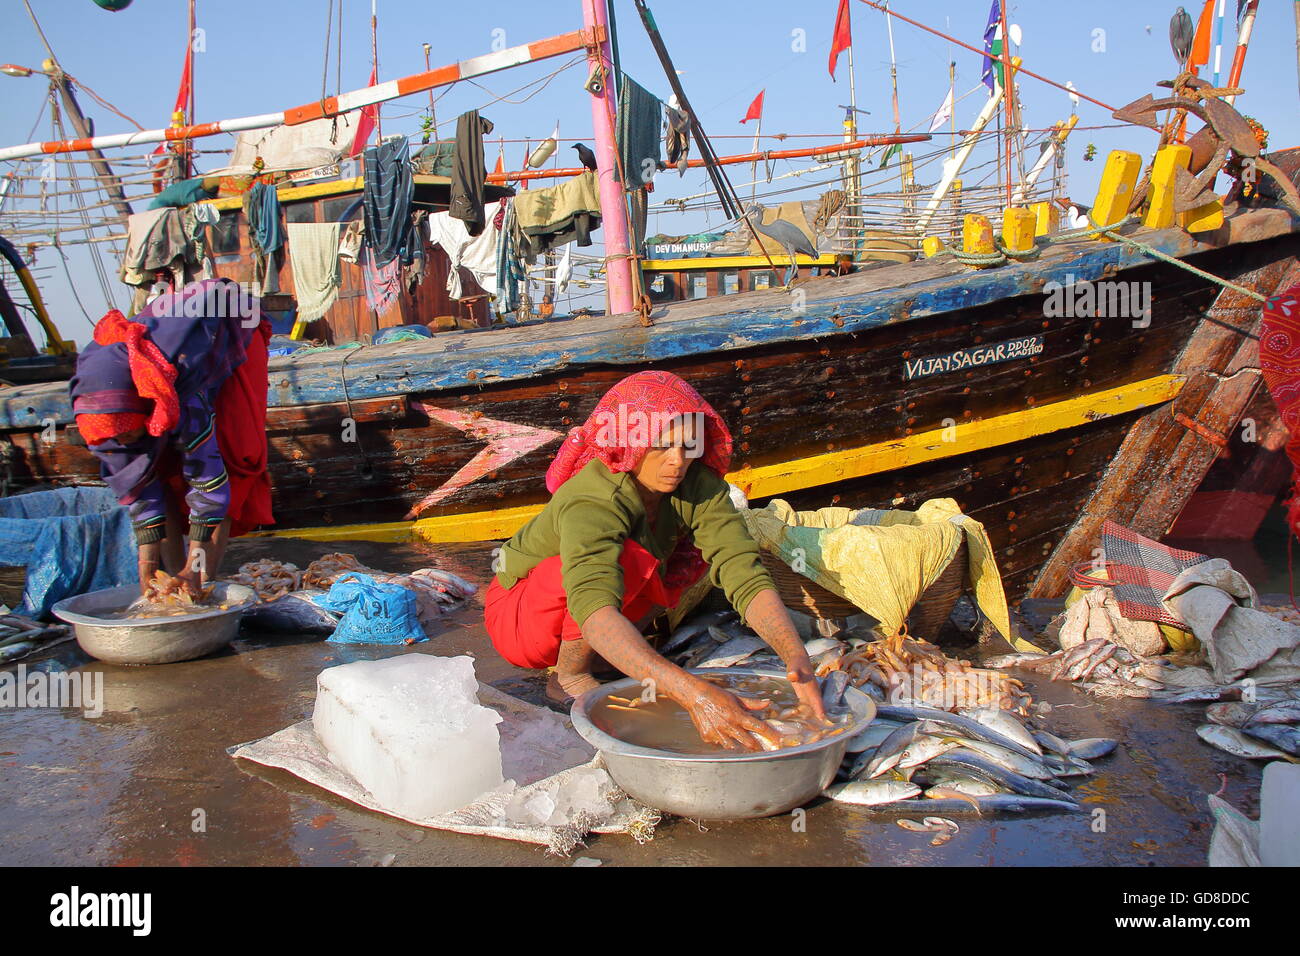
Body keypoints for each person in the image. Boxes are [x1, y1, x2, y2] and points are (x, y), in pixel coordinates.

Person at [485, 370, 825, 751]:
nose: (677, 462)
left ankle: (606, 659)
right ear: (631, 442)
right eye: (661, 446)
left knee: (659, 569)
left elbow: (740, 567)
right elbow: (593, 605)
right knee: (631, 558)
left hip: (582, 610)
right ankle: (570, 675)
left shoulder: (694, 483)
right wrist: (691, 692)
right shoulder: (594, 498)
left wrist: (796, 658)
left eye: (687, 446)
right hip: (521, 620)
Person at [68, 279, 273, 595]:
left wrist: (194, 569)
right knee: (159, 469)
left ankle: (201, 582)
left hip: (228, 328)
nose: (124, 443)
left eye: (129, 434)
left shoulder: (183, 394)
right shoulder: (102, 417)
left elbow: (210, 487)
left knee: (232, 454)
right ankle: (174, 581)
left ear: (146, 410)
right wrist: (148, 574)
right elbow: (140, 489)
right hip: (145, 372)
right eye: (119, 439)